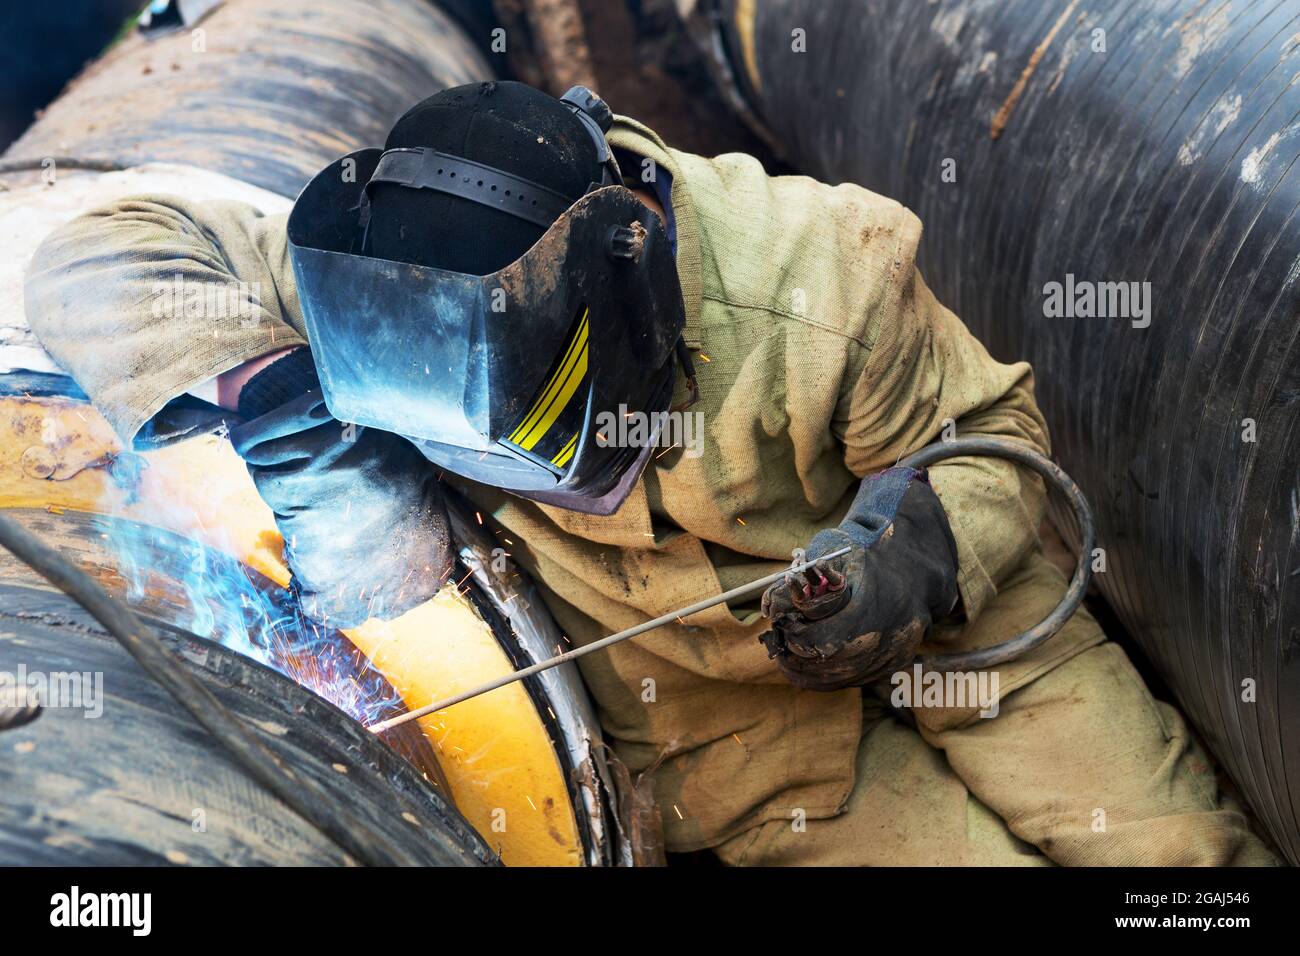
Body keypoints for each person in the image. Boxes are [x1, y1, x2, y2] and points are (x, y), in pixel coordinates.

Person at [24, 81, 1276, 866]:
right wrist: (291, 410)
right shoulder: (373, 281)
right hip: (705, 717)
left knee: (1172, 862)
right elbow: (98, 243)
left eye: (550, 434)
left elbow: (991, 430)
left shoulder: (818, 272)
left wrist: (919, 546)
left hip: (952, 617)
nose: (548, 490)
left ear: (625, 283)